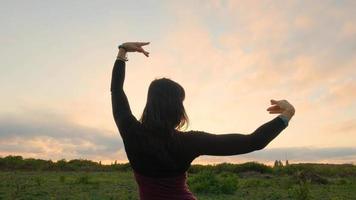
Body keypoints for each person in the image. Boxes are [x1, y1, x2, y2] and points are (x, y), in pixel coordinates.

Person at [111, 42, 295, 200]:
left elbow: (117, 91)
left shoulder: (130, 130)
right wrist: (286, 114)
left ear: (149, 104)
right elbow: (254, 141)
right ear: (178, 109)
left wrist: (123, 51)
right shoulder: (190, 141)